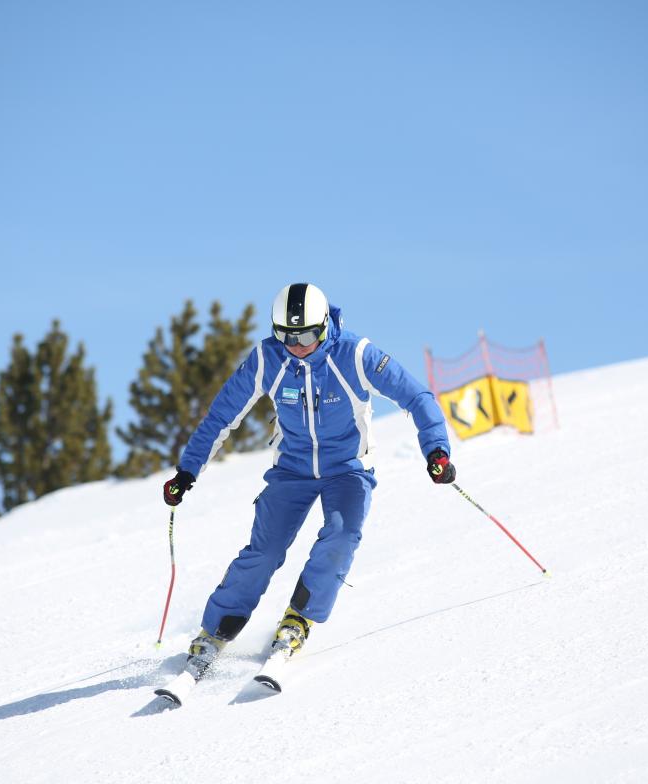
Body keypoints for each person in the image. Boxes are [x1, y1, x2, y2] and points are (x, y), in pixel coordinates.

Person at [161, 282, 456, 678]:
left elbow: (416, 397)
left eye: (306, 336)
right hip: (292, 471)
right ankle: (214, 632)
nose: (296, 346)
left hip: (348, 469)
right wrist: (187, 471)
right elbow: (221, 417)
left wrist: (436, 451)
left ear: (325, 327)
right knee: (264, 551)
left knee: (341, 536)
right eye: (286, 336)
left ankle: (298, 618)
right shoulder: (267, 358)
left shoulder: (355, 354)